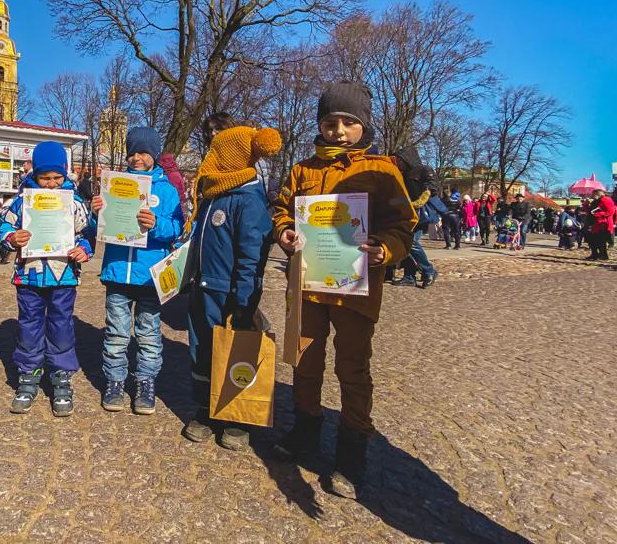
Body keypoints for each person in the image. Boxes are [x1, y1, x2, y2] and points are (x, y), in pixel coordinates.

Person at [270, 81, 415, 498]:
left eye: (348, 123)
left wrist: (384, 250)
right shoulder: (302, 169)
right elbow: (282, 209)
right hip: (307, 286)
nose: (337, 131)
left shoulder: (382, 170)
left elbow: (401, 225)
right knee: (304, 361)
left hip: (356, 289)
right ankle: (305, 430)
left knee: (352, 368)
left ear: (363, 127)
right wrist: (285, 233)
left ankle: (352, 452)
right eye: (330, 122)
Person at [181, 124, 282, 451]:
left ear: (232, 158)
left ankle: (237, 417)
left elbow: (252, 256)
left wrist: (244, 302)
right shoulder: (215, 193)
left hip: (229, 293)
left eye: (217, 153)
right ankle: (207, 409)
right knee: (204, 351)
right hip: (204, 288)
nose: (211, 158)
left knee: (236, 353)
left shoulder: (247, 201)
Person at [89, 127, 183, 415]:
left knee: (149, 333)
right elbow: (98, 232)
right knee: (116, 333)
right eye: (131, 153)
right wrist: (97, 216)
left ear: (154, 155)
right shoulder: (114, 186)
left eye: (143, 152)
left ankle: (145, 382)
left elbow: (177, 229)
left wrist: (156, 224)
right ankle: (115, 382)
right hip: (117, 272)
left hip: (150, 276)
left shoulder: (166, 190)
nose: (136, 158)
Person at [0, 142, 93, 417]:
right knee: (29, 324)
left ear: (65, 175)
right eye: (45, 178)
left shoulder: (75, 203)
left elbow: (86, 233)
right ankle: (28, 375)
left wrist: (83, 250)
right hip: (29, 276)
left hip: (63, 276)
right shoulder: (22, 201)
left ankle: (61, 375)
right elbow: (4, 224)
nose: (51, 184)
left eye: (57, 177)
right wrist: (11, 238)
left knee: (61, 325)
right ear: (35, 176)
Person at [392, 146, 440, 288]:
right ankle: (409, 276)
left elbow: (431, 186)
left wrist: (422, 198)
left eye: (399, 159)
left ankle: (429, 270)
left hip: (421, 213)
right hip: (407, 212)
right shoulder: (400, 174)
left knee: (410, 242)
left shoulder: (424, 169)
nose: (397, 162)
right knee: (405, 244)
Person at [587, 189, 617, 261]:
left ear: (597, 194)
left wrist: (598, 214)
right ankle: (595, 254)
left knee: (601, 240)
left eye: (593, 194)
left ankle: (603, 255)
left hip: (603, 222)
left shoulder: (606, 200)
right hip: (596, 222)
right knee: (593, 239)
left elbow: (611, 211)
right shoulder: (596, 201)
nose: (592, 196)